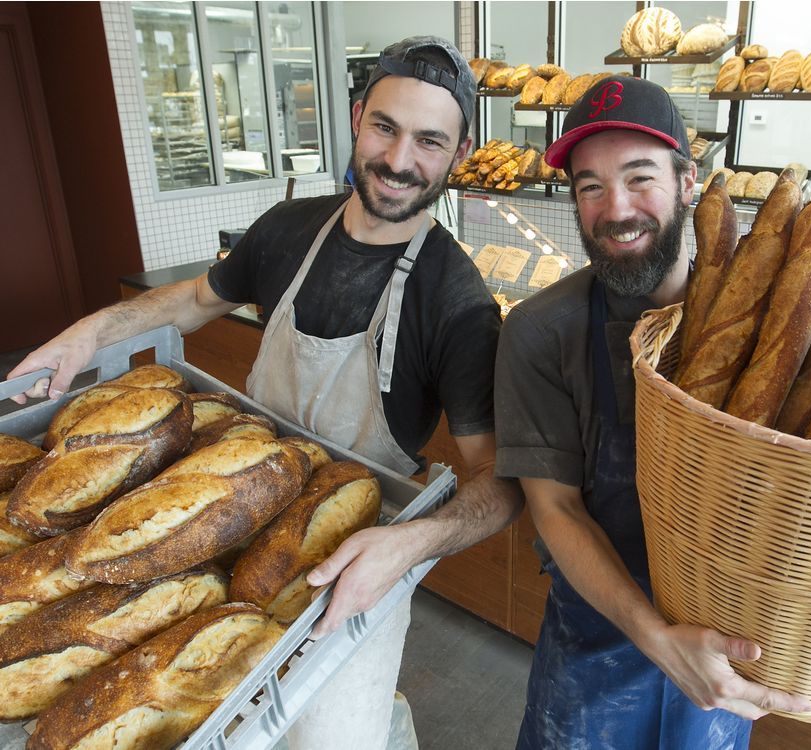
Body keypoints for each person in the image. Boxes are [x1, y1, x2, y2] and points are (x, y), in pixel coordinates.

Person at [8, 36, 522, 750]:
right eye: (385, 127)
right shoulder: (286, 230)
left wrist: (412, 543)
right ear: (355, 117)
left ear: (460, 155)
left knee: (335, 736)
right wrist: (88, 333)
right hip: (215, 530)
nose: (401, 160)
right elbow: (189, 302)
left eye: (429, 141)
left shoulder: (456, 301)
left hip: (345, 567)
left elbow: (498, 482)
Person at [493, 75, 811, 749]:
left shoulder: (781, 321)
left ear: (688, 182)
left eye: (639, 177)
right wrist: (659, 640)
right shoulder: (539, 330)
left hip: (729, 654)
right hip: (594, 653)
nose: (615, 208)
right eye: (590, 186)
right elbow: (556, 509)